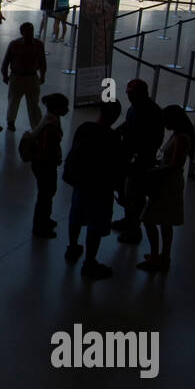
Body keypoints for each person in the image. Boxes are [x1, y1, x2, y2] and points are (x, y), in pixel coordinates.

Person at [62, 100, 123, 279]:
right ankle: (89, 263)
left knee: (76, 216)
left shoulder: (84, 128)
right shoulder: (113, 138)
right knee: (95, 226)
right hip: (100, 188)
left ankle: (72, 248)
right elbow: (115, 167)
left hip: (81, 183)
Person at [137, 105, 194, 272]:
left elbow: (174, 165)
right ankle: (163, 256)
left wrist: (151, 171)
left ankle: (155, 256)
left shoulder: (180, 138)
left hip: (168, 183)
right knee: (165, 221)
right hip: (171, 182)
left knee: (149, 219)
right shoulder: (180, 135)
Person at [114, 79, 165, 244]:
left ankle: (134, 230)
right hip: (129, 157)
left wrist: (137, 155)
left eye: (133, 94)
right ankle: (128, 221)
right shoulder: (136, 107)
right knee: (126, 192)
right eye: (129, 94)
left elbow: (154, 139)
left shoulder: (152, 112)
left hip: (140, 160)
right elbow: (129, 124)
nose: (130, 97)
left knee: (134, 195)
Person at [22, 92, 69, 237]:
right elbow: (46, 148)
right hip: (44, 164)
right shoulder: (50, 125)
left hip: (41, 163)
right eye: (64, 107)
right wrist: (55, 159)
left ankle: (44, 220)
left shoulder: (49, 118)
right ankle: (40, 226)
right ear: (57, 108)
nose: (67, 110)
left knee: (47, 193)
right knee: (45, 195)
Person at [2, 22, 47, 132]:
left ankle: (36, 124)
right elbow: (6, 61)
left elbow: (42, 62)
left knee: (33, 103)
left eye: (31, 30)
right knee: (13, 101)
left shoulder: (39, 45)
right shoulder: (14, 44)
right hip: (17, 76)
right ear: (22, 32)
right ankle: (11, 121)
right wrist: (4, 74)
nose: (30, 33)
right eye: (27, 31)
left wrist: (42, 75)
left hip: (32, 77)